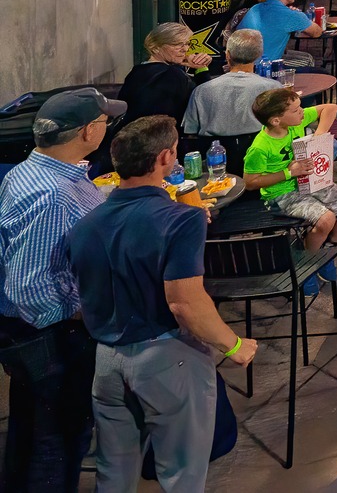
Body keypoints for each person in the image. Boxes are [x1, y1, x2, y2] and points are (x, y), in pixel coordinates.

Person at [63, 116, 257, 493]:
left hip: (106, 360)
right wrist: (234, 345)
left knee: (113, 473)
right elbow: (185, 303)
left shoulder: (84, 226)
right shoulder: (182, 220)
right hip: (168, 359)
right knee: (181, 475)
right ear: (167, 157)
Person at [0, 90, 123, 493]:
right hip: (52, 338)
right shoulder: (52, 194)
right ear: (89, 131)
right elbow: (29, 288)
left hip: (42, 333)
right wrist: (84, 312)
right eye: (105, 122)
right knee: (57, 439)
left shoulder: (33, 170)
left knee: (33, 428)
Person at [244, 87, 337, 285]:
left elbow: (330, 108)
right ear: (276, 120)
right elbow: (250, 182)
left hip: (309, 182)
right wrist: (289, 173)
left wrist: (319, 134)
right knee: (326, 219)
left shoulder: (295, 122)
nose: (302, 112)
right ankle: (305, 265)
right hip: (280, 194)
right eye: (296, 110)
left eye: (300, 108)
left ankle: (324, 251)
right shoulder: (260, 147)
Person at [110, 22, 205, 136]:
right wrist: (201, 69)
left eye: (187, 44)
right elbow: (203, 100)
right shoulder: (171, 74)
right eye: (177, 44)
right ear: (155, 47)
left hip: (130, 139)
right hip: (162, 140)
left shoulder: (136, 72)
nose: (185, 49)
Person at [182, 30, 281, 138]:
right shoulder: (275, 89)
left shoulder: (201, 91)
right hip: (261, 151)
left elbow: (190, 132)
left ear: (227, 55)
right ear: (259, 55)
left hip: (213, 151)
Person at [243, 0, 321, 63]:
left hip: (241, 66)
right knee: (311, 63)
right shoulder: (292, 15)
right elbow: (317, 32)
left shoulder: (255, 8)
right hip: (265, 68)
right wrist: (299, 16)